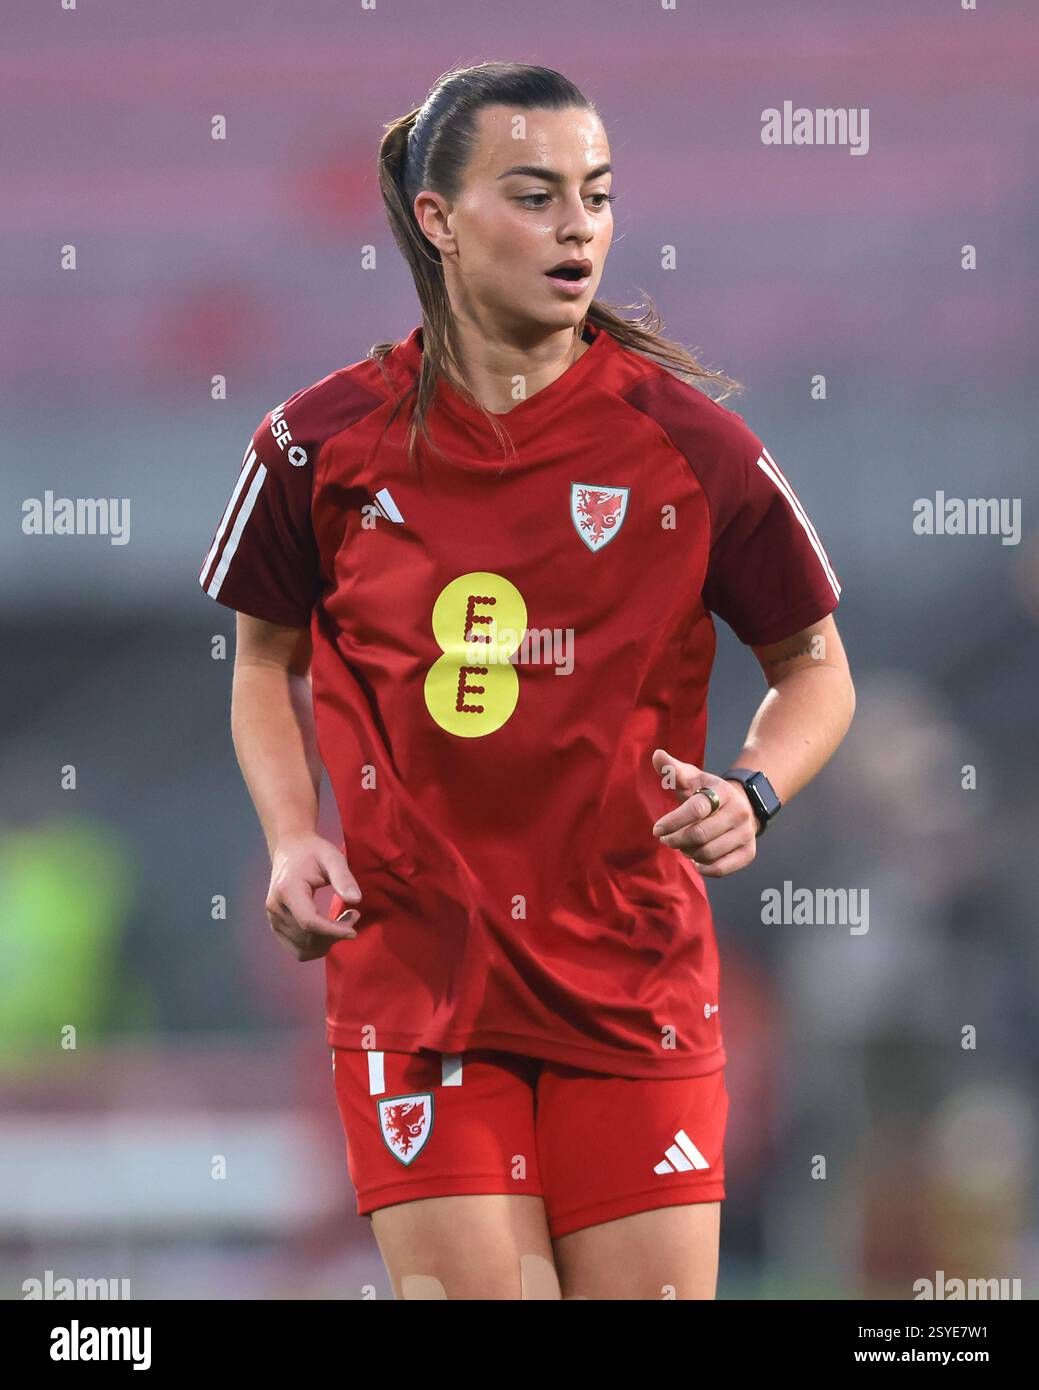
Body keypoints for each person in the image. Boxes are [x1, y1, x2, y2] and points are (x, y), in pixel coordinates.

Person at [197, 61, 855, 1300]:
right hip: (420, 989)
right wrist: (293, 839)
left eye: (596, 199)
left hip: (633, 989)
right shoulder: (317, 444)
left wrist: (753, 790)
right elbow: (265, 663)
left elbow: (815, 670)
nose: (578, 230)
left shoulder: (692, 446)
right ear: (438, 220)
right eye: (538, 196)